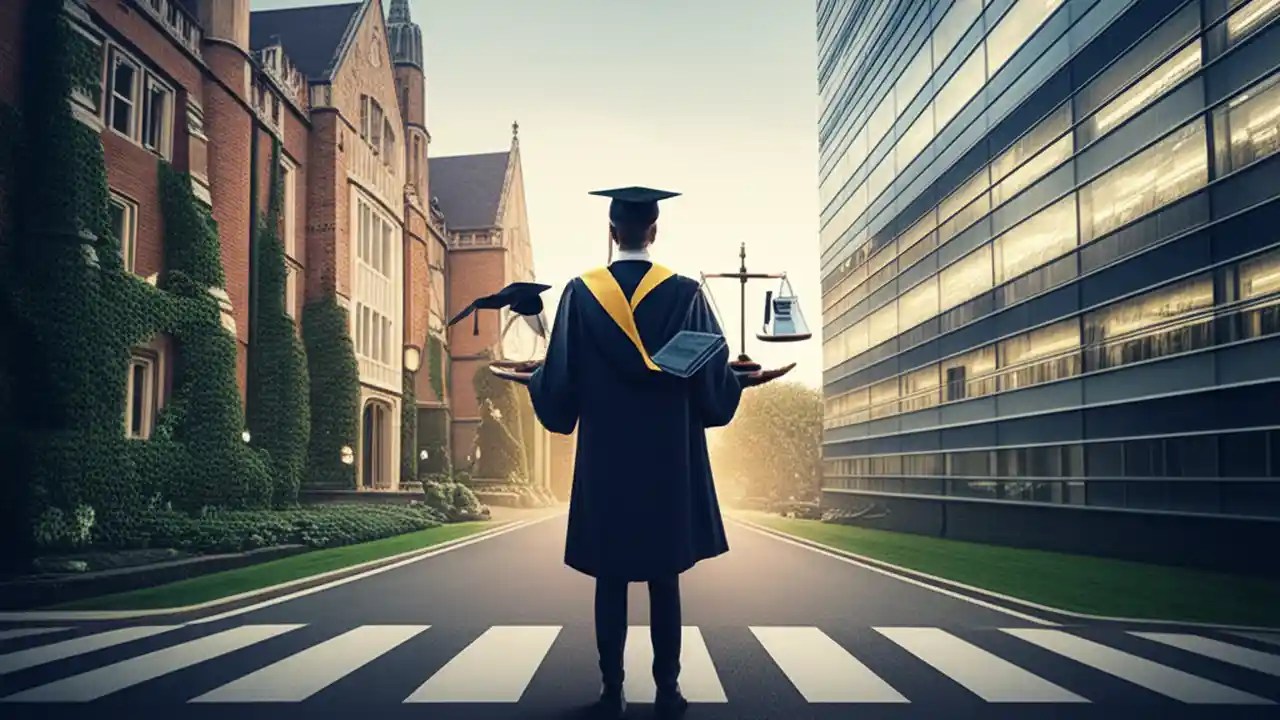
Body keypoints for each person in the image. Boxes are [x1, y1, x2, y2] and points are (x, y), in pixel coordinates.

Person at [491, 187, 792, 718]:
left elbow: (561, 381)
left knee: (610, 577)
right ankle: (669, 691)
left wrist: (534, 382)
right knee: (663, 576)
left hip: (607, 460)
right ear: (654, 232)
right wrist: (739, 382)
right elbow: (711, 381)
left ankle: (611, 690)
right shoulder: (685, 293)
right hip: (666, 461)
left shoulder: (582, 295)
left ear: (613, 233)